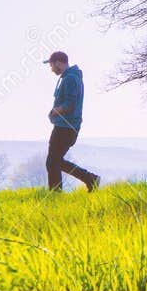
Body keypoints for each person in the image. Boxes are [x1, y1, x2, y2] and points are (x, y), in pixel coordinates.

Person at [43, 50, 100, 192]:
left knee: (52, 162)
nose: (51, 69)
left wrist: (55, 111)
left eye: (51, 65)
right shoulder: (71, 77)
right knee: (55, 162)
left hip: (65, 127)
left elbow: (70, 104)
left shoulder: (70, 78)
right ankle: (90, 179)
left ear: (58, 63)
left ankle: (57, 194)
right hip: (66, 126)